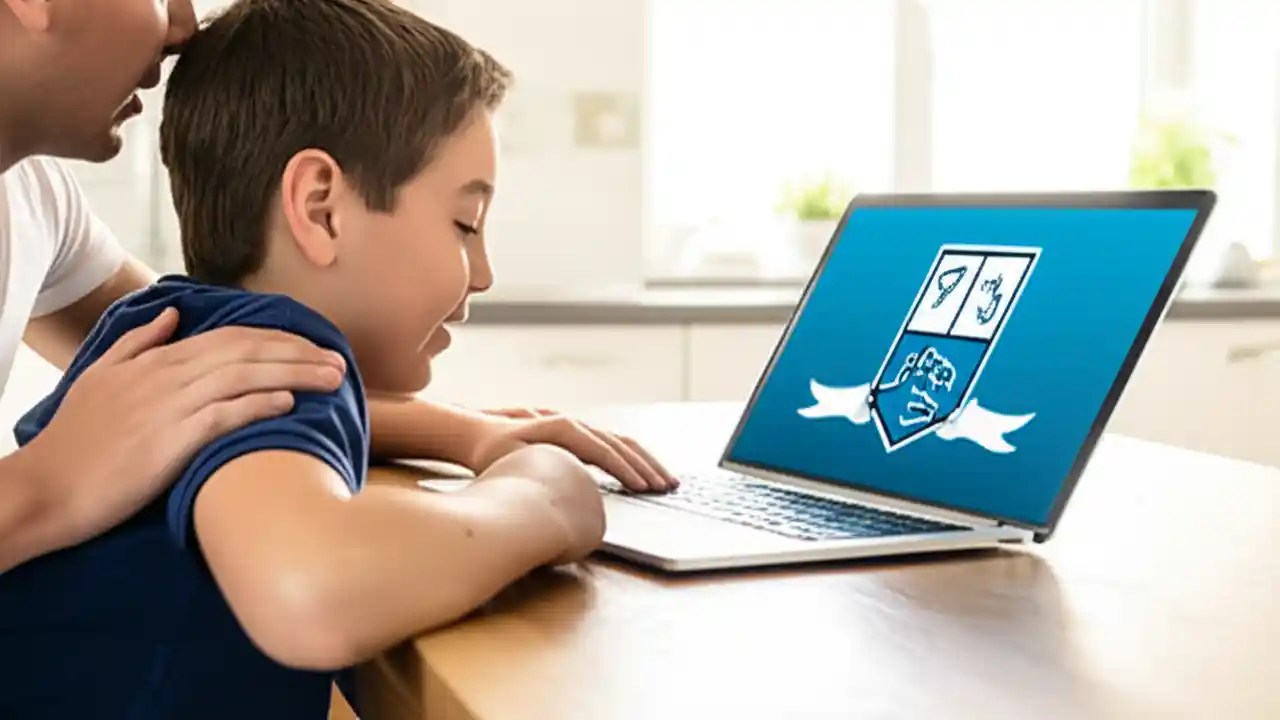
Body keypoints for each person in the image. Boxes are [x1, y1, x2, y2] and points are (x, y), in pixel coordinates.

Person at [1, 1, 675, 718]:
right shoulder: (266, 337)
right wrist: (542, 497)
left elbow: (220, 394)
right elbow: (312, 593)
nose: (182, 25)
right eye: (464, 225)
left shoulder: (148, 301)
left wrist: (469, 434)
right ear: (319, 208)